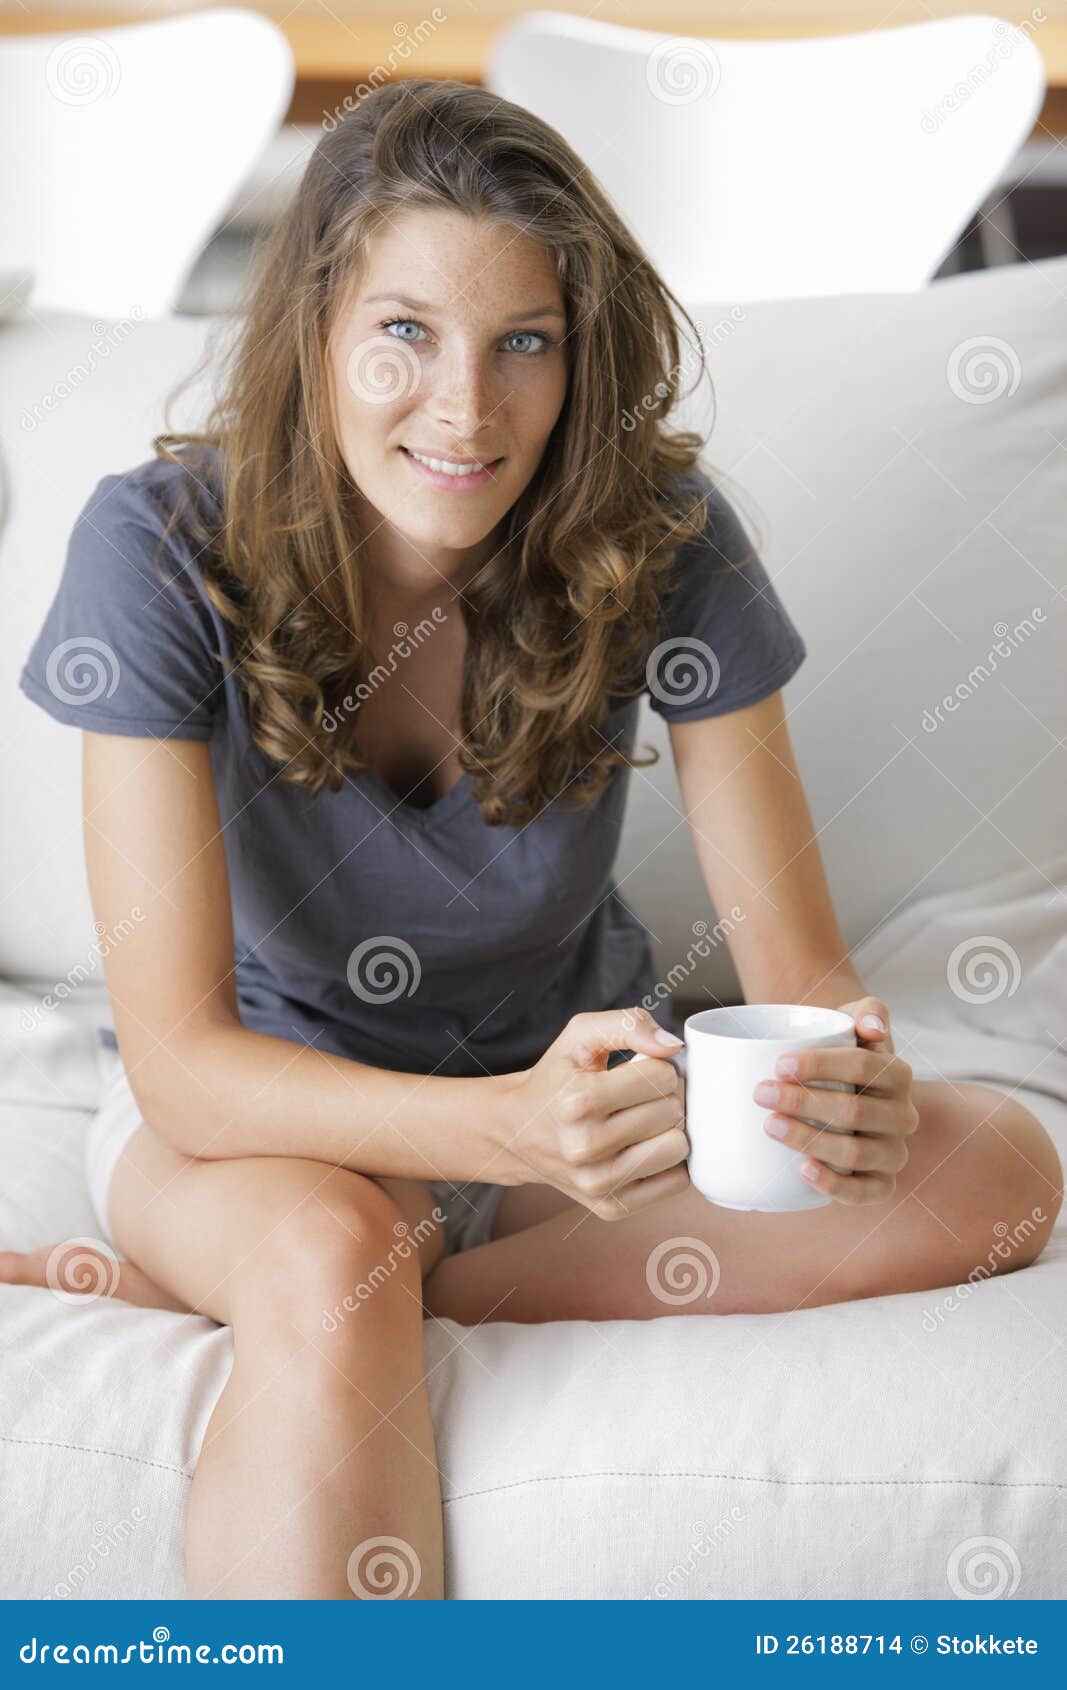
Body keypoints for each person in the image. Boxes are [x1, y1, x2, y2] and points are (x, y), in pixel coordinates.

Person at [6, 80, 1060, 1601]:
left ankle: (438, 1289)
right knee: (320, 1260)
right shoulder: (158, 546)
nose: (465, 409)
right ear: (313, 331)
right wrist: (497, 1127)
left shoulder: (664, 539)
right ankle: (347, 1281)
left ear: (579, 359)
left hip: (580, 1122)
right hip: (260, 1130)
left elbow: (803, 969)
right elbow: (177, 1057)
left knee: (1001, 1169)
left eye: (525, 343)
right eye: (406, 334)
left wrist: (846, 1074)